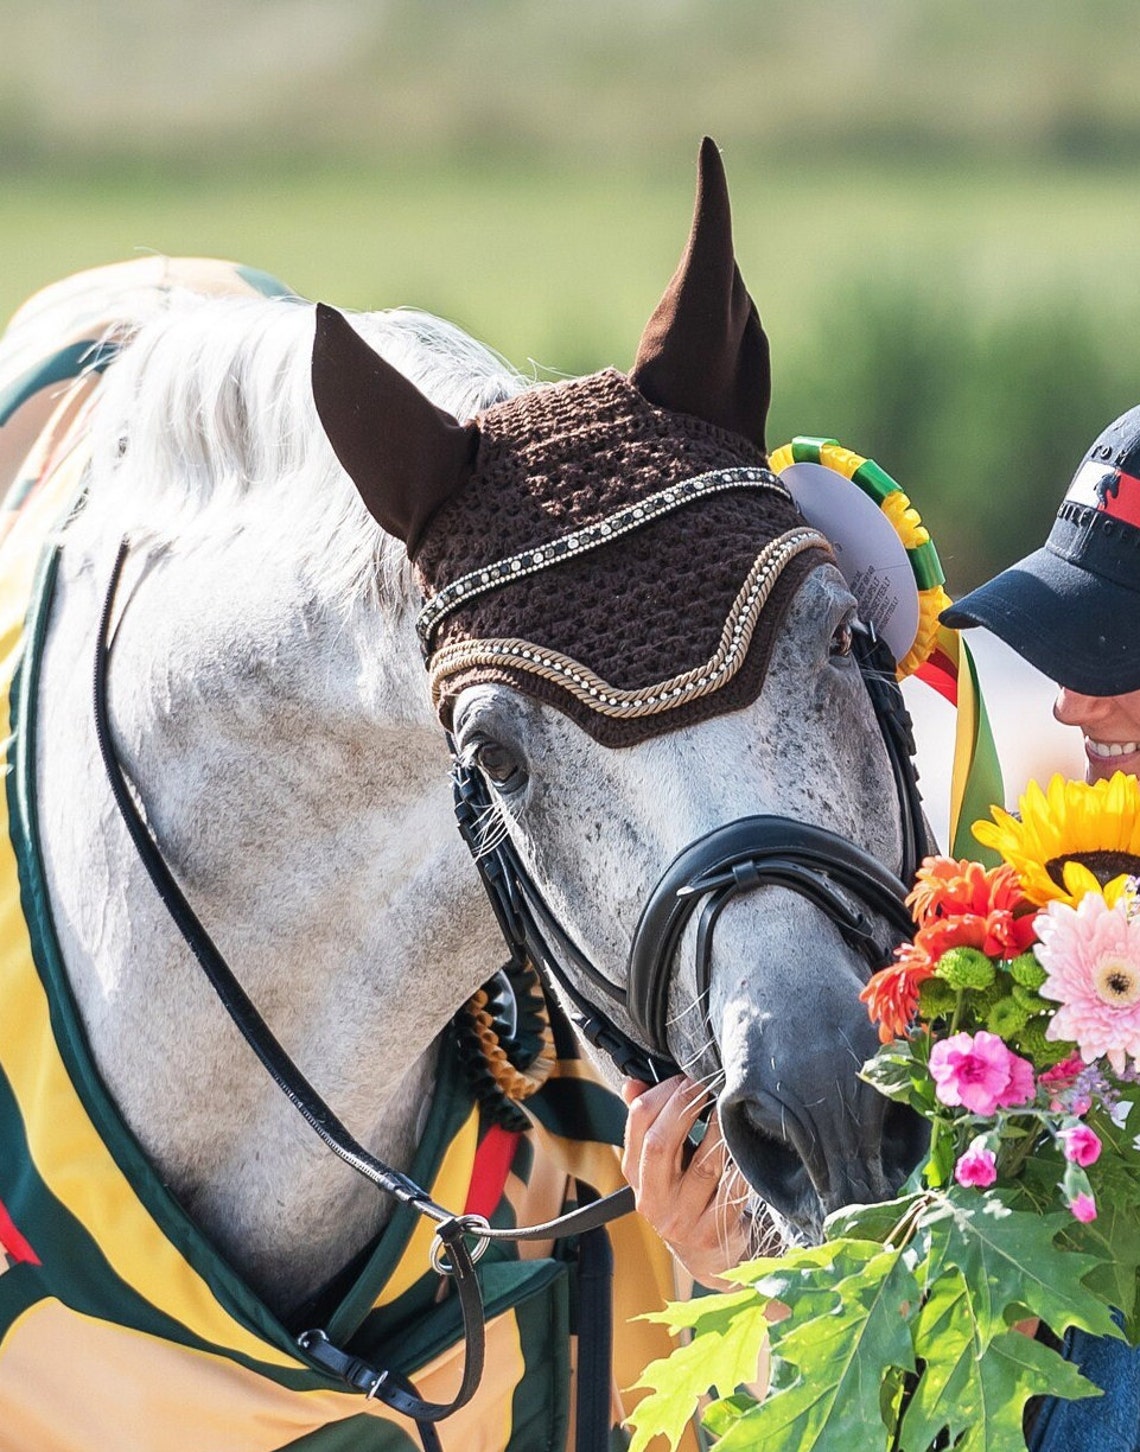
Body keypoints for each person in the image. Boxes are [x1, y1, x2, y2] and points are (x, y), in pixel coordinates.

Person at [623, 405, 1140, 1444]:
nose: (1071, 706)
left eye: (1119, 653)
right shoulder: (1057, 958)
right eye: (1069, 652)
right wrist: (757, 1274)